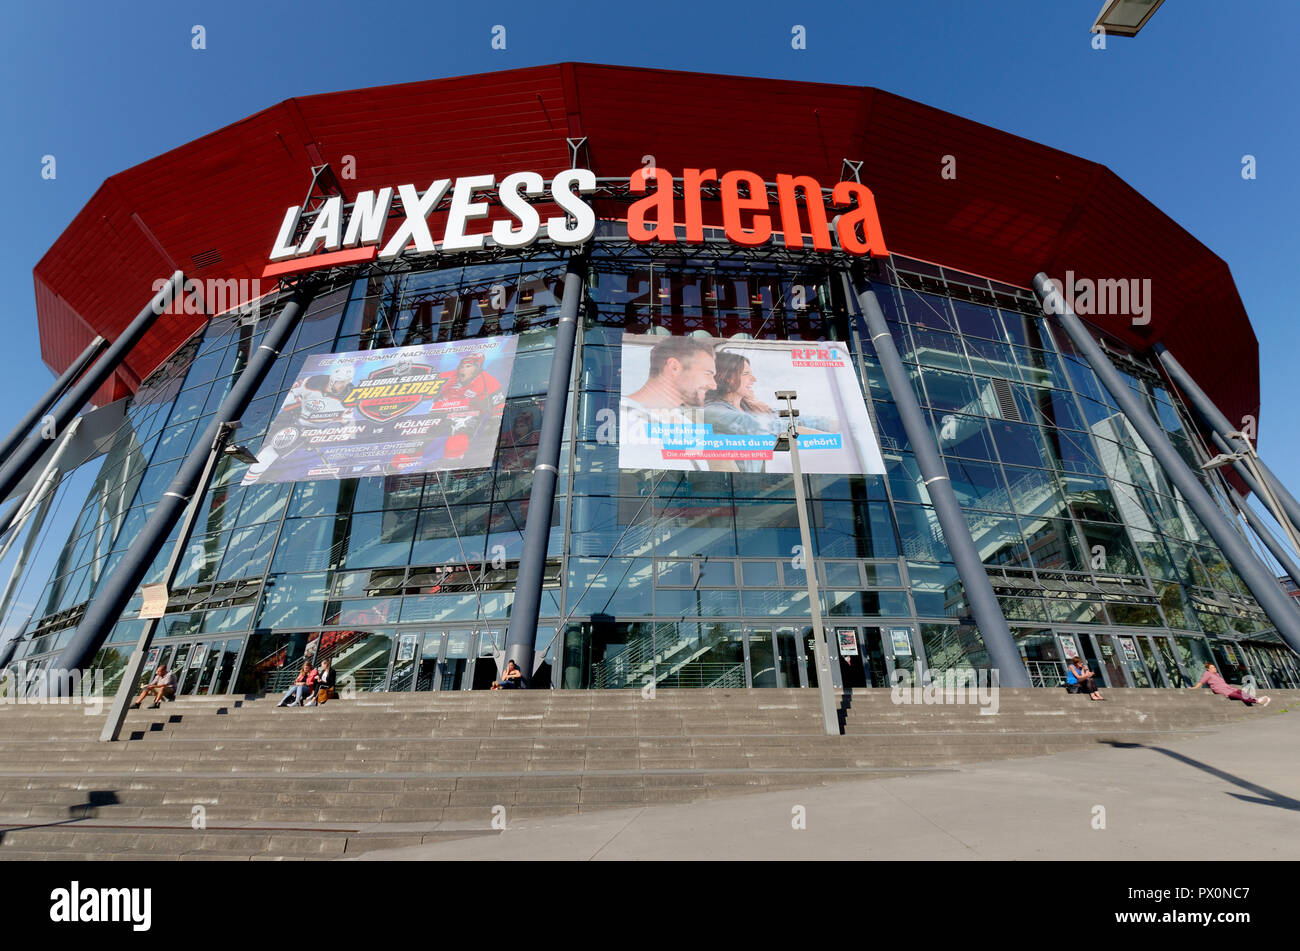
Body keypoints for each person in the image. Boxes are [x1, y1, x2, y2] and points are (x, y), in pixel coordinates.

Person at [697, 350, 836, 473]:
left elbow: (791, 418)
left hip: (755, 481)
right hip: (735, 486)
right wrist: (834, 440)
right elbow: (772, 426)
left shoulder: (749, 407)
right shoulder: (713, 411)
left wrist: (837, 426)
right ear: (728, 378)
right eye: (746, 374)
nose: (754, 379)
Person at [619, 336, 717, 471]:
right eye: (708, 373)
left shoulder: (688, 426)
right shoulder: (620, 417)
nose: (714, 385)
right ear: (674, 367)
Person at [1189, 662, 1270, 707]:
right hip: (1221, 690)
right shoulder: (1207, 674)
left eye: (1214, 667)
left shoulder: (1217, 674)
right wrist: (1195, 687)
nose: (1215, 668)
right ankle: (1257, 701)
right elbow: (1202, 681)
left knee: (1241, 692)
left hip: (1228, 688)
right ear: (1208, 669)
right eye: (1212, 667)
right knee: (1239, 696)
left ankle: (1256, 699)